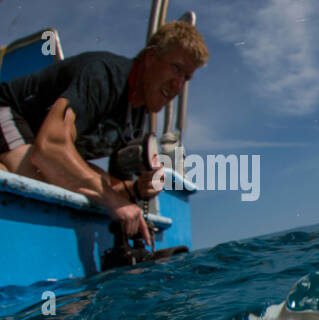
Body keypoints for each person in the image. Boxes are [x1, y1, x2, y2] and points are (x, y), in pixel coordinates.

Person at [0, 20, 209, 246]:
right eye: (176, 68)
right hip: (7, 111)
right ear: (150, 58)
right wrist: (112, 200)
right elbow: (49, 150)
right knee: (44, 172)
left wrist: (137, 189)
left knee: (84, 180)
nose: (178, 86)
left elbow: (116, 185)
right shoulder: (103, 76)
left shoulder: (138, 118)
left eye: (186, 78)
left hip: (36, 145)